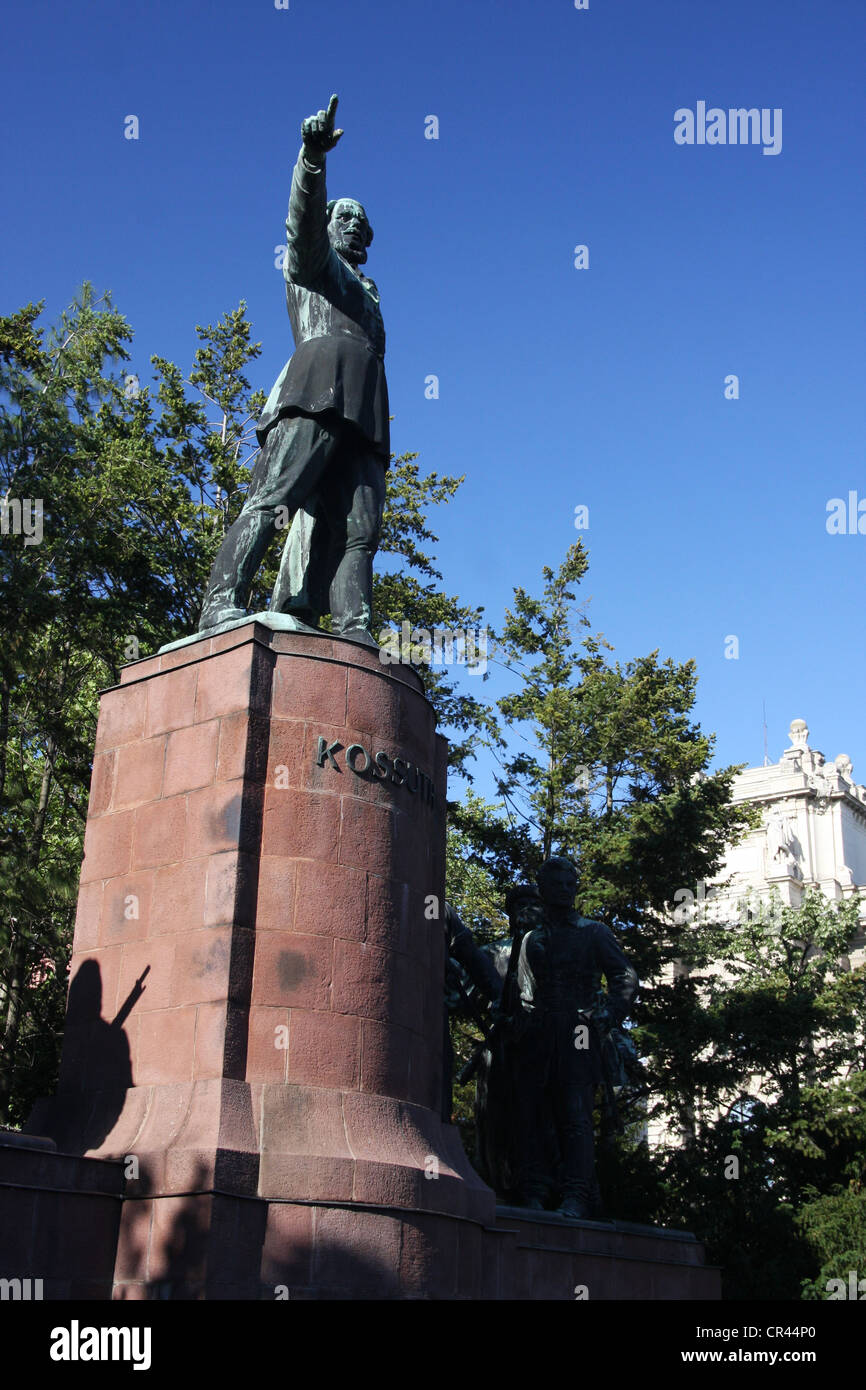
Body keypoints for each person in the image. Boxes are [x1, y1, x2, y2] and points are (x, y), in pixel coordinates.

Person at [198, 94, 389, 642]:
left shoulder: (370, 296)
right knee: (274, 498)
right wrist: (312, 159)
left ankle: (354, 630)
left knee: (358, 533)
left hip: (366, 416)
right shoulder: (314, 266)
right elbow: (301, 227)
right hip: (313, 393)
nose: (352, 225)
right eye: (344, 216)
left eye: (361, 222)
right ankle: (220, 605)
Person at [510, 856, 638, 1218]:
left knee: (575, 1114)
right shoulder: (532, 938)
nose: (566, 890)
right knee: (532, 1113)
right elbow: (523, 989)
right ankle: (535, 1188)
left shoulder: (593, 932)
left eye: (570, 884)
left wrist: (607, 1015)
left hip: (579, 1029)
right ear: (544, 889)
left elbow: (625, 978)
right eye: (558, 885)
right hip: (539, 1030)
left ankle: (577, 1195)